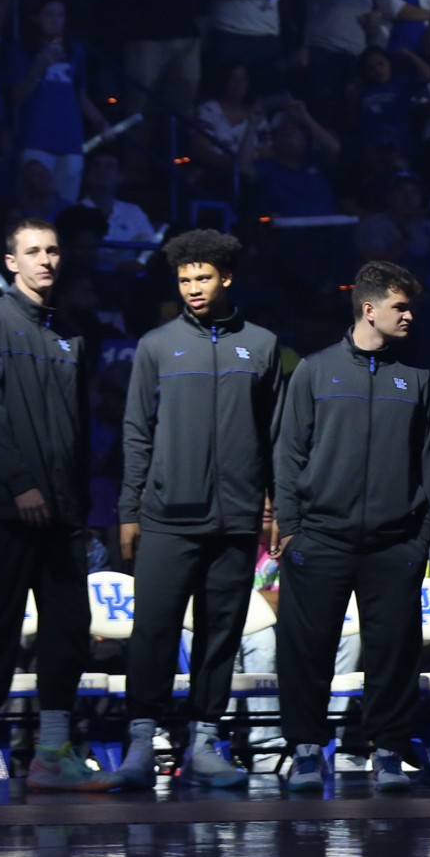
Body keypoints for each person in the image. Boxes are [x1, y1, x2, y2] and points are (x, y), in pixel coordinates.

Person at [115, 231, 284, 791]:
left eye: (203, 278)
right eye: (184, 279)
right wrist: (130, 509)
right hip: (166, 515)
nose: (192, 288)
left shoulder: (261, 346)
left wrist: (279, 502)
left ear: (226, 278)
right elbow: (137, 431)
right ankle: (142, 742)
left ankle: (206, 743)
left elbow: (275, 435)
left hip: (236, 518)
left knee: (221, 634)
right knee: (154, 631)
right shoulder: (157, 345)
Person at [0, 221, 116, 792]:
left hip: (63, 513)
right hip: (4, 507)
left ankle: (52, 752)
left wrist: (82, 505)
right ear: (11, 261)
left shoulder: (70, 333)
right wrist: (22, 484)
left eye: (52, 249)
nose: (46, 259)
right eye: (33, 251)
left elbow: (76, 429)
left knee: (68, 628)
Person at [273, 263, 430, 794]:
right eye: (400, 307)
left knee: (393, 653)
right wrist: (293, 529)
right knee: (307, 650)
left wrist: (421, 537)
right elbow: (289, 452)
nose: (410, 316)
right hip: (319, 538)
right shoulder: (315, 372)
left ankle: (387, 752)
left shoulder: (416, 380)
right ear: (369, 309)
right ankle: (304, 751)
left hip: (394, 543)